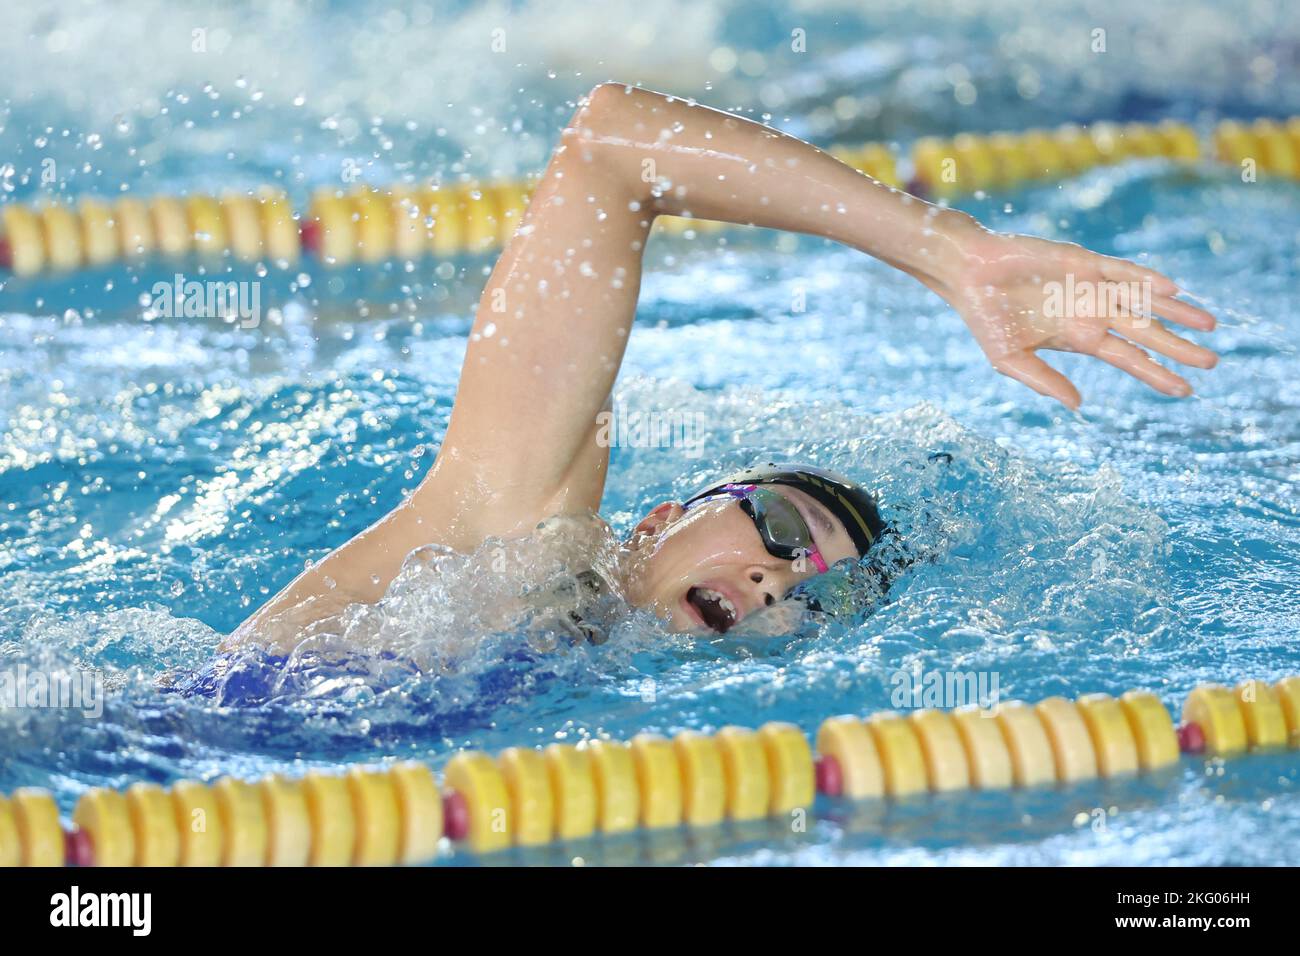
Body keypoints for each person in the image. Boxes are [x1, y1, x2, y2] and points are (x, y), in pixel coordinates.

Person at [227, 83, 1217, 653]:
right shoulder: (516, 537)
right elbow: (609, 147)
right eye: (782, 529)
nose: (779, 577)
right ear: (663, 517)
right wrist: (946, 249)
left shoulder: (593, 678)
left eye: (819, 593)